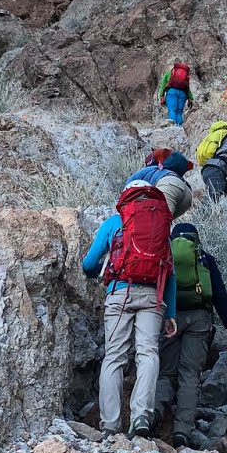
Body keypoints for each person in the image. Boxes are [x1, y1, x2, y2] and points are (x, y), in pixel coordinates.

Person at [82, 186, 180, 438]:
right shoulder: (160, 227)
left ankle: (110, 425)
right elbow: (169, 273)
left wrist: (96, 276)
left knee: (114, 357)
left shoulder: (115, 222)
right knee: (148, 354)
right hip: (152, 298)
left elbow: (89, 263)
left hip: (119, 294)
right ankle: (141, 418)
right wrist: (171, 313)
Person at [154, 222, 227, 445]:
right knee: (189, 375)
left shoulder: (165, 256)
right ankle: (182, 430)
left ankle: (153, 413)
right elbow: (219, 295)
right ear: (196, 240)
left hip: (169, 317)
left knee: (165, 373)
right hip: (200, 320)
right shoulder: (204, 259)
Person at [158, 61, 194, 125]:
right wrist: (190, 99)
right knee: (179, 112)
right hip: (183, 94)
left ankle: (173, 127)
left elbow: (163, 84)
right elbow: (187, 88)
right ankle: (179, 127)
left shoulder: (170, 73)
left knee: (172, 110)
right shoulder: (185, 75)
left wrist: (161, 96)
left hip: (171, 92)